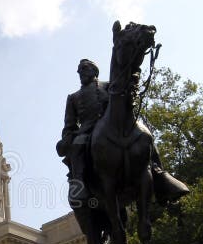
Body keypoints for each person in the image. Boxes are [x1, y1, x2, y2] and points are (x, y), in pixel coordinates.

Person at [56, 58, 188, 205]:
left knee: (145, 135)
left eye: (84, 68)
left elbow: (123, 100)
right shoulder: (73, 97)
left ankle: (158, 173)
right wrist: (68, 138)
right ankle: (79, 182)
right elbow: (69, 124)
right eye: (79, 70)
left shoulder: (109, 85)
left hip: (114, 126)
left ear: (94, 71)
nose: (80, 72)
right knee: (78, 144)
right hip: (88, 131)